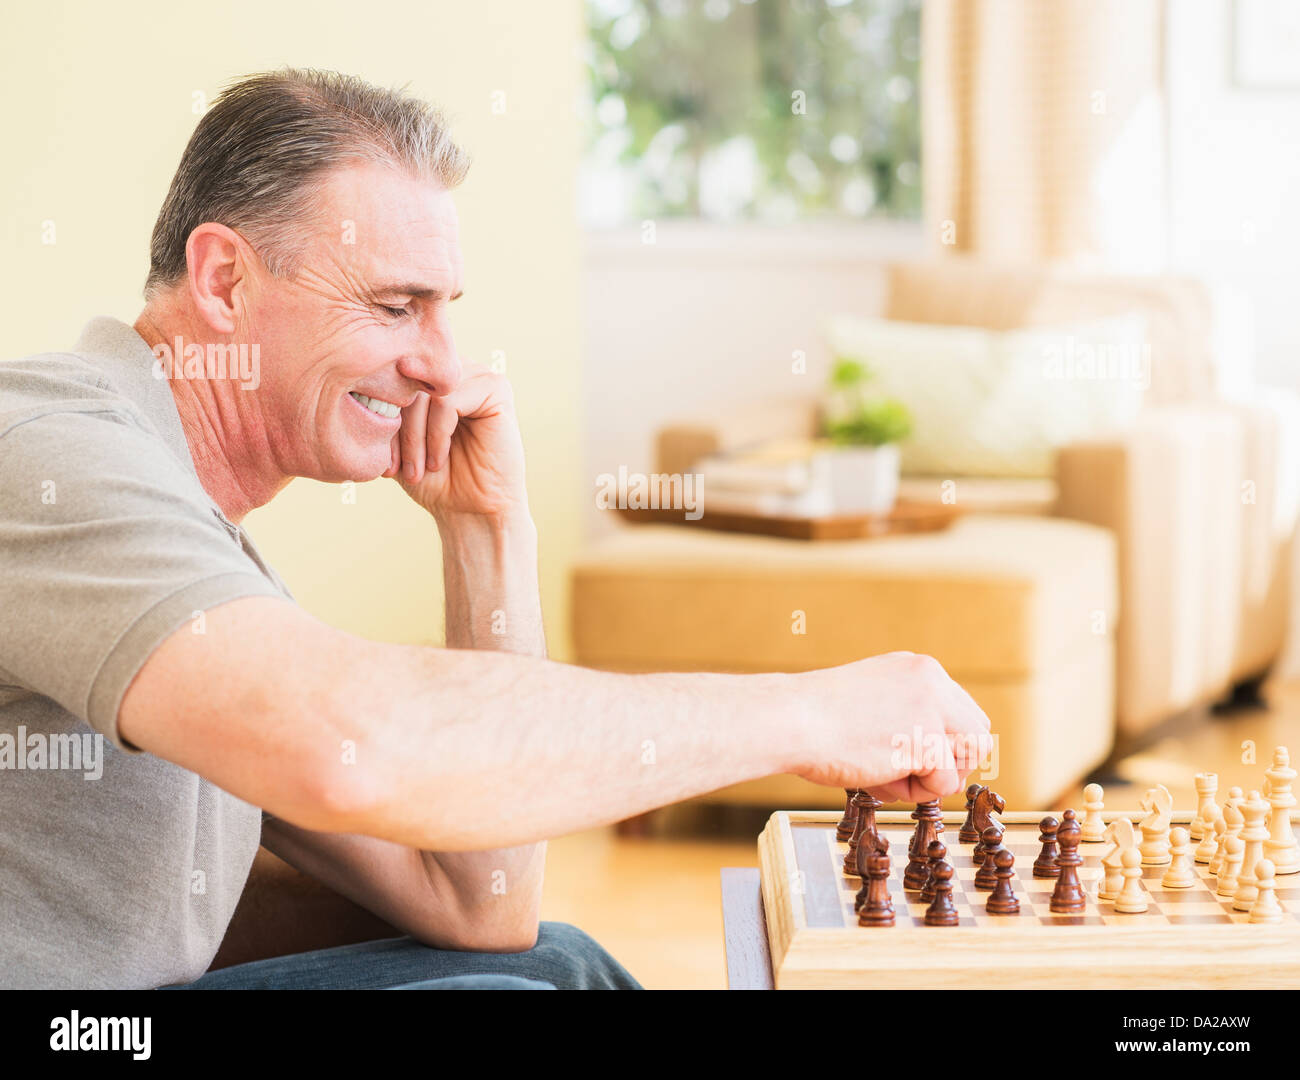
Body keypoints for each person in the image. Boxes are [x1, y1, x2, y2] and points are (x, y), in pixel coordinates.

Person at [0, 69, 991, 990]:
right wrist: (807, 717)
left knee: (555, 963)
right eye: (396, 306)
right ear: (224, 282)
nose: (444, 363)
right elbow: (353, 738)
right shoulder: (47, 447)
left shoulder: (204, 552)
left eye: (444, 313)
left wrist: (485, 529)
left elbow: (486, 903)